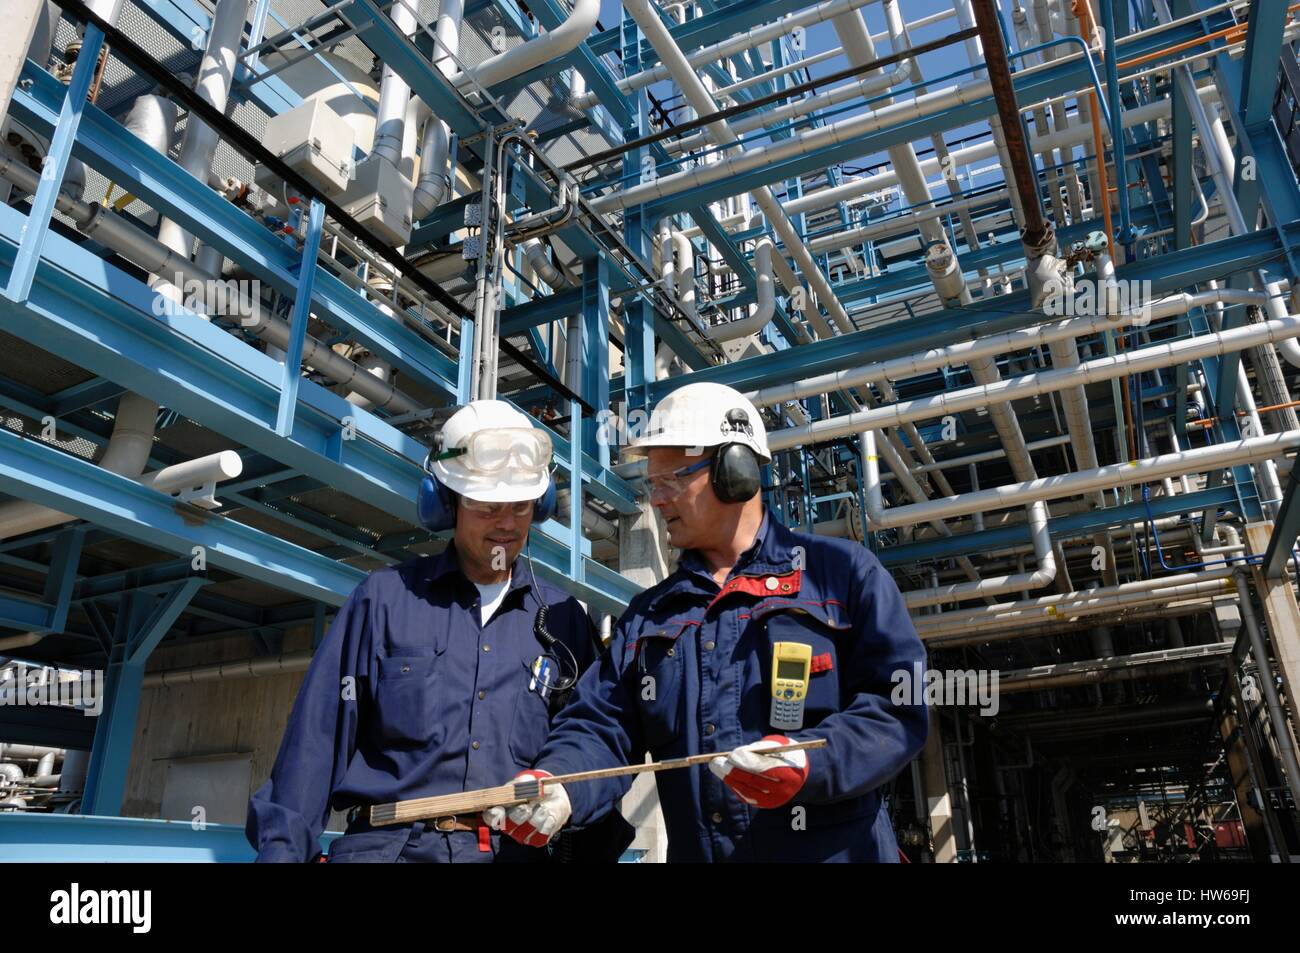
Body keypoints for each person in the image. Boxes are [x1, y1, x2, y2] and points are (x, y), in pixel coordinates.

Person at [483, 382, 928, 862]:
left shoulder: (840, 576)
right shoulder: (650, 618)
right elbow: (601, 724)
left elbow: (897, 704)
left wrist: (811, 760)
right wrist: (560, 784)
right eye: (652, 484)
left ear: (734, 472)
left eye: (670, 481)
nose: (656, 500)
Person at [246, 400, 627, 862]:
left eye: (521, 506)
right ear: (447, 502)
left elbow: (597, 735)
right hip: (389, 849)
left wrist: (563, 790)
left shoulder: (563, 619)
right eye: (487, 506)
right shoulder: (385, 600)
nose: (507, 523)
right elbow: (316, 741)